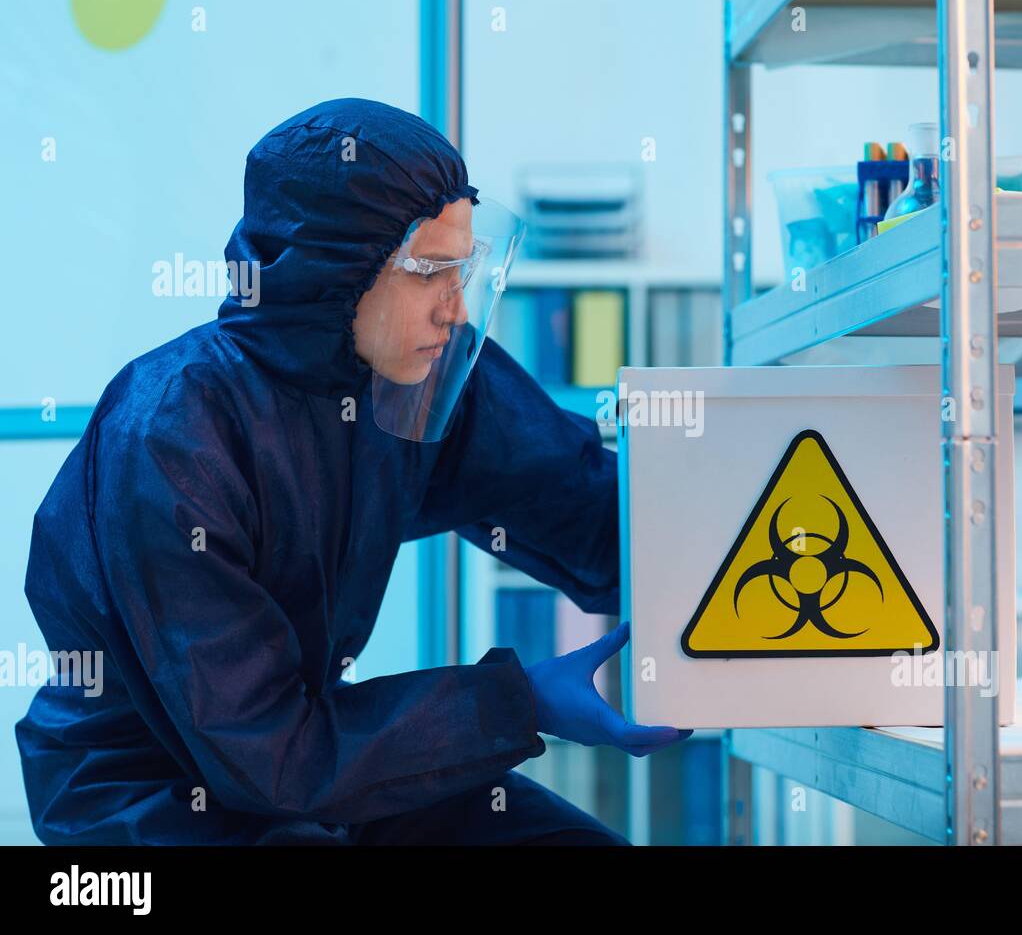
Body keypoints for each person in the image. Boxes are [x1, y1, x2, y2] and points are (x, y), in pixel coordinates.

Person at [15, 97, 689, 846]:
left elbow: (580, 506)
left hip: (321, 760)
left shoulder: (412, 373)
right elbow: (264, 751)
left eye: (462, 270)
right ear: (330, 271)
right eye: (430, 271)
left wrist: (727, 566)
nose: (455, 311)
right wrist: (516, 704)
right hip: (151, 797)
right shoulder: (173, 439)